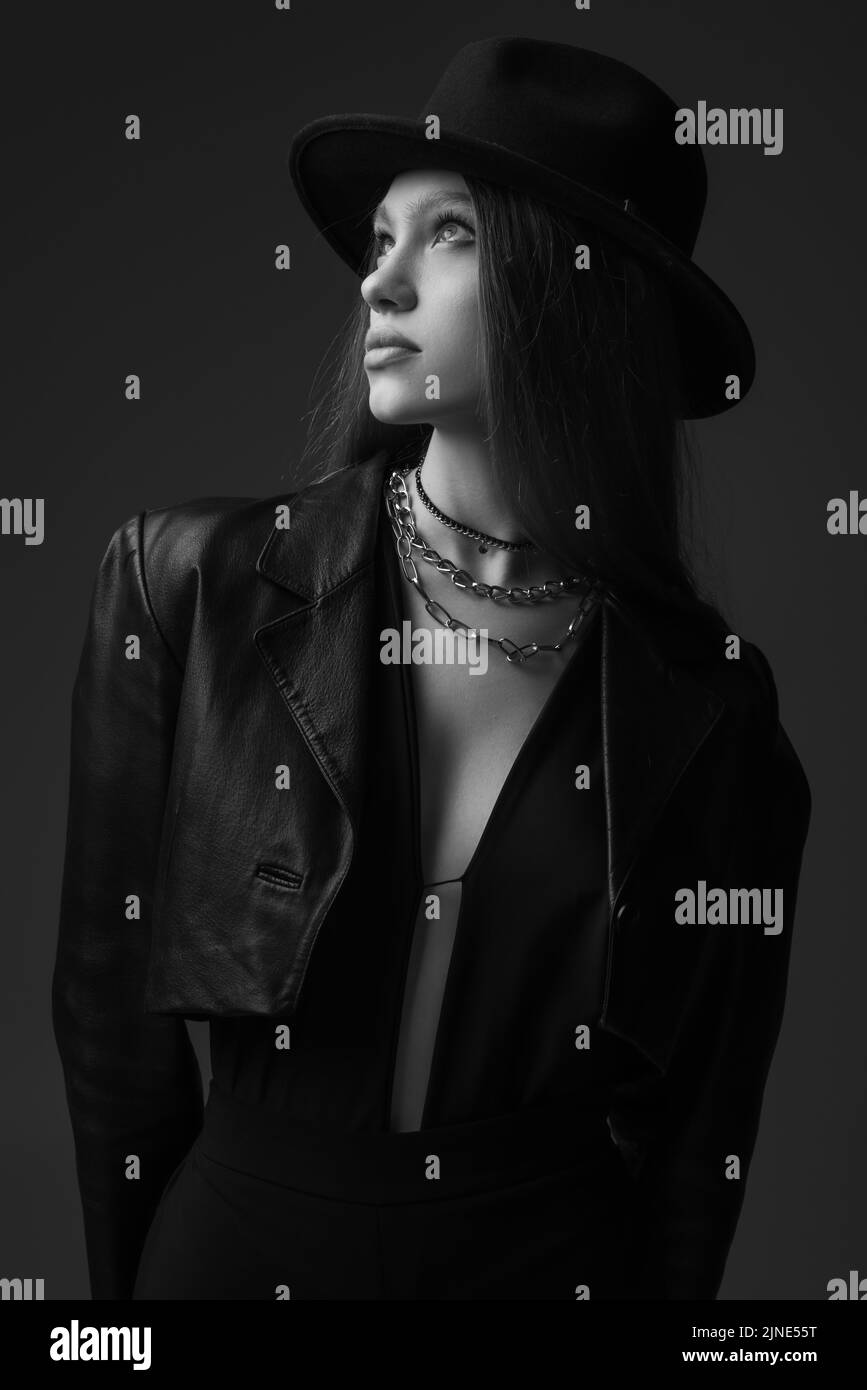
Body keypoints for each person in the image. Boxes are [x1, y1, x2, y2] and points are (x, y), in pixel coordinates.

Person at [52, 36, 812, 1301]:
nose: (377, 283)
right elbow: (110, 1039)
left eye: (447, 234)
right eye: (379, 239)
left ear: (576, 287)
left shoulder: (711, 714)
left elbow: (697, 1155)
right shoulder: (185, 582)